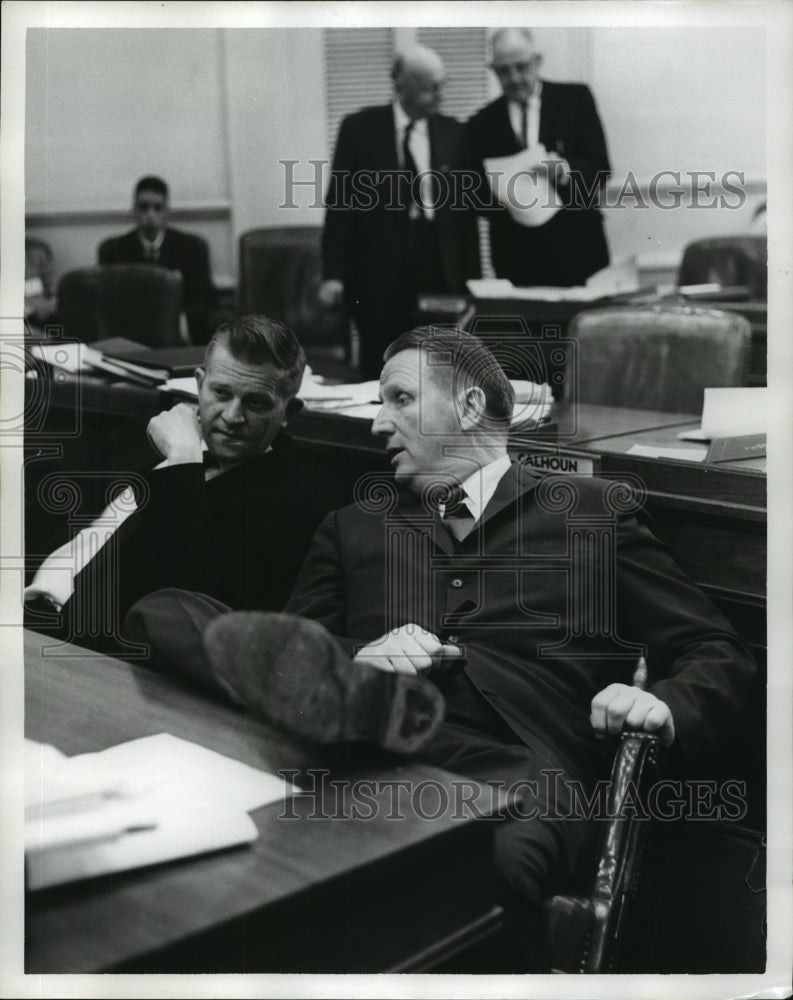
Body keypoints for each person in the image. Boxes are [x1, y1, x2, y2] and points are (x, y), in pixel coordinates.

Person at [128, 327, 755, 970]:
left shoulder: (593, 513)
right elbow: (296, 651)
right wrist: (362, 656)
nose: (379, 424)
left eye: (400, 399)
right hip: (362, 754)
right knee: (168, 612)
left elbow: (717, 648)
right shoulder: (352, 527)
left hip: (519, 774)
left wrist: (665, 704)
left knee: (469, 874)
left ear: (470, 407)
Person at [24, 315, 328, 658]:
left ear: (290, 411)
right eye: (221, 393)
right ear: (200, 383)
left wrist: (184, 461)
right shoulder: (153, 431)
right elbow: (58, 520)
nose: (231, 416)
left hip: (82, 650)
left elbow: (190, 606)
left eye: (255, 402)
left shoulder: (293, 504)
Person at [319, 45, 480, 378]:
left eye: (441, 85)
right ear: (401, 86)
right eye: (429, 87)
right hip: (376, 276)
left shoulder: (456, 133)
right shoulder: (359, 129)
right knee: (380, 373)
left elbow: (465, 220)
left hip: (439, 269)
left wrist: (473, 285)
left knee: (439, 369)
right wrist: (333, 274)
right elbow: (340, 207)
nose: (440, 95)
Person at [468, 27, 611, 287]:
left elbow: (601, 167)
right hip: (516, 259)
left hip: (578, 250)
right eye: (504, 70)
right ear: (493, 69)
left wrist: (565, 170)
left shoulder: (575, 100)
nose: (514, 78)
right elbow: (476, 199)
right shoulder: (481, 123)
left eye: (522, 67)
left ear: (538, 61)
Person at [98, 176, 216, 343]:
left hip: (179, 335)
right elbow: (110, 304)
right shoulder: (114, 250)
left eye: (158, 208)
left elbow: (203, 297)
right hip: (132, 336)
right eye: (143, 207)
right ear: (134, 210)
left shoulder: (192, 247)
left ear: (167, 211)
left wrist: (182, 325)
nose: (150, 215)